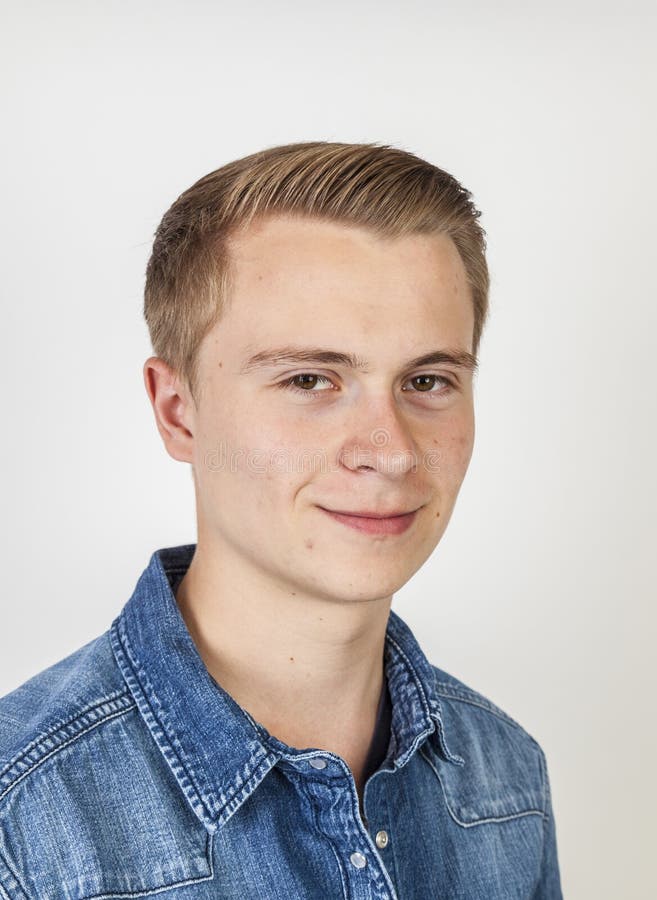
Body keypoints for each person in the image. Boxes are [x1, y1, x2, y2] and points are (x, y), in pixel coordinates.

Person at [0, 141, 563, 899]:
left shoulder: (505, 776)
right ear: (178, 410)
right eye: (309, 379)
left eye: (426, 380)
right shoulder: (22, 812)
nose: (389, 452)